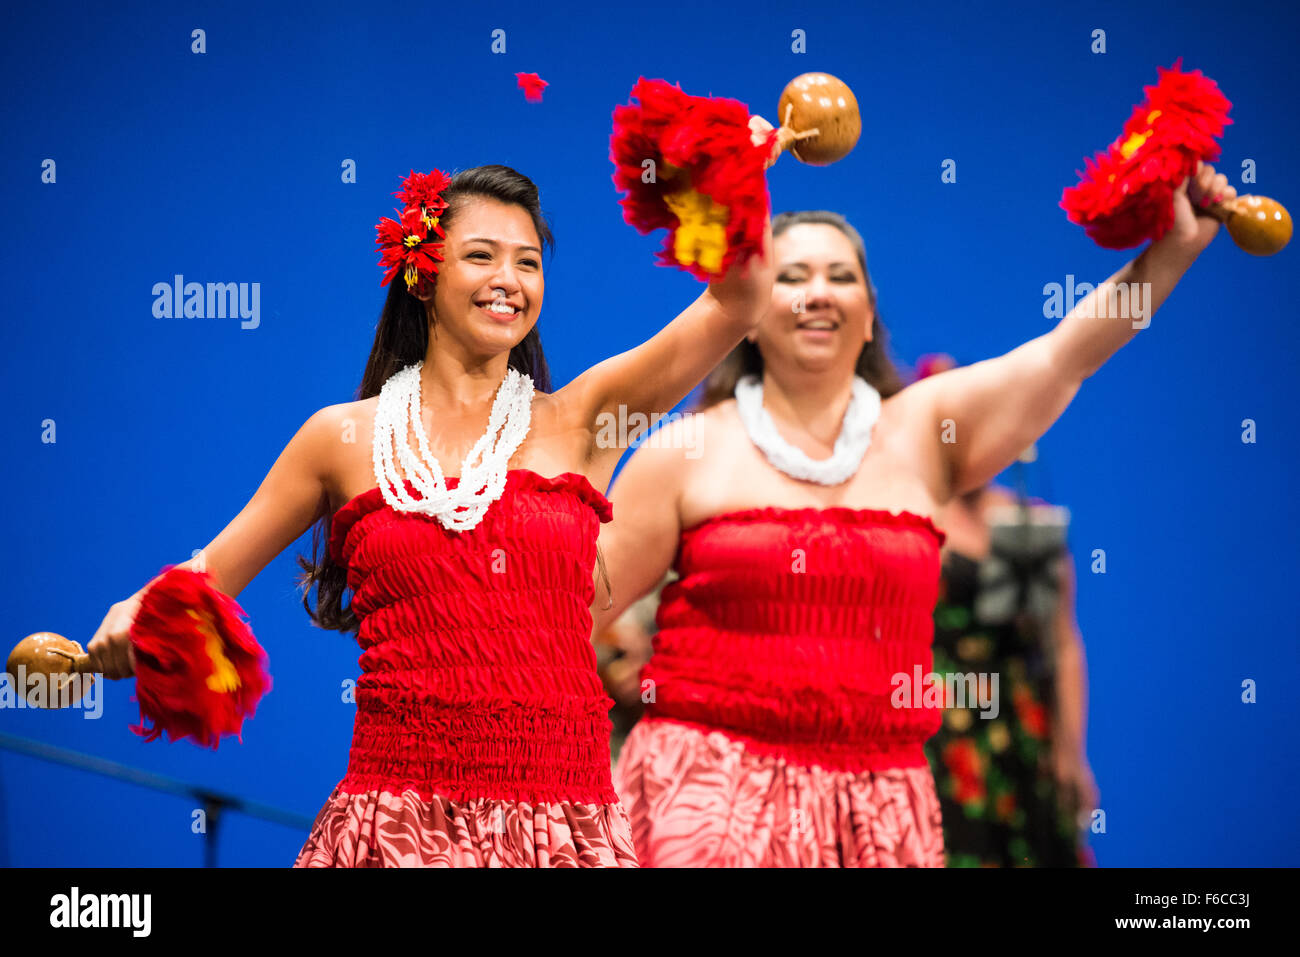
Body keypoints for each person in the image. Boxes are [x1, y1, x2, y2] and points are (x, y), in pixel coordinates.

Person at [86, 162, 775, 867]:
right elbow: (210, 573)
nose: (509, 278)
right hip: (394, 824)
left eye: (528, 262)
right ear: (422, 272)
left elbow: (738, 304)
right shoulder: (342, 437)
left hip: (560, 824)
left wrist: (729, 185)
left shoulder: (583, 420)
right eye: (481, 255)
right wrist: (137, 610)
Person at [594, 162, 1236, 866]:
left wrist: (1171, 251)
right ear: (747, 309)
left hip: (880, 807)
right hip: (704, 798)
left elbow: (1065, 357)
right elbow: (569, 617)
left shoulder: (927, 432)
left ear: (869, 315)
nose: (817, 293)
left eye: (841, 276)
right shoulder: (685, 451)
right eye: (791, 275)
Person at [917, 389, 1097, 867]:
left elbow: (1060, 644)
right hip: (933, 725)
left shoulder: (1026, 520)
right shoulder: (908, 516)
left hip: (1019, 729)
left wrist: (1070, 752)